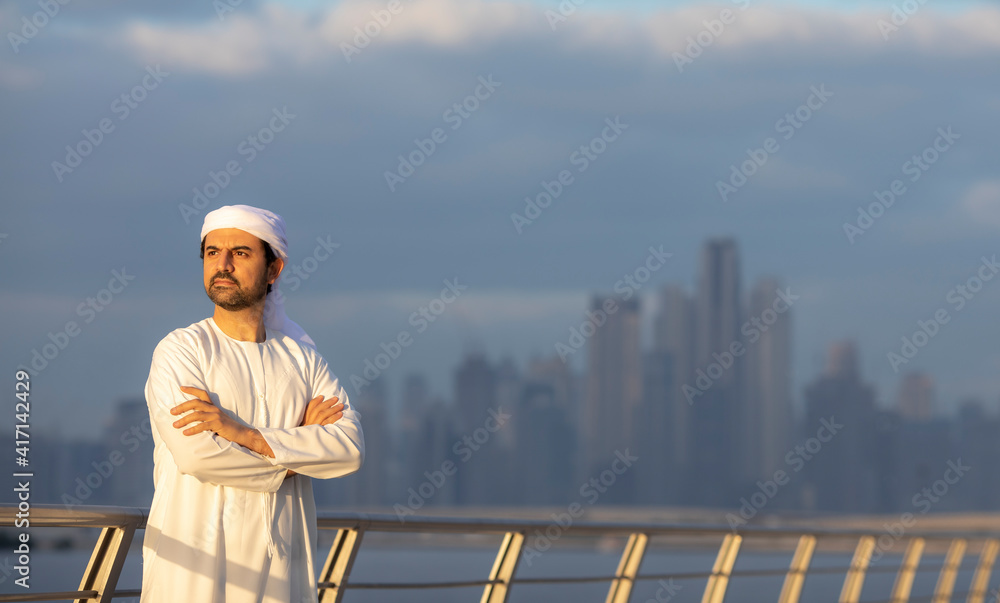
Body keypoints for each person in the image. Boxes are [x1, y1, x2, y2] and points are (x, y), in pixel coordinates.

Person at [140, 205, 364, 602]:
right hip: (193, 575)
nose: (222, 265)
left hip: (283, 575)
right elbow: (198, 457)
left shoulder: (302, 359)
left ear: (274, 269)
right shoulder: (181, 351)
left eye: (240, 253)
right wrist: (298, 455)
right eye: (212, 252)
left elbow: (349, 447)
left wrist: (244, 436)